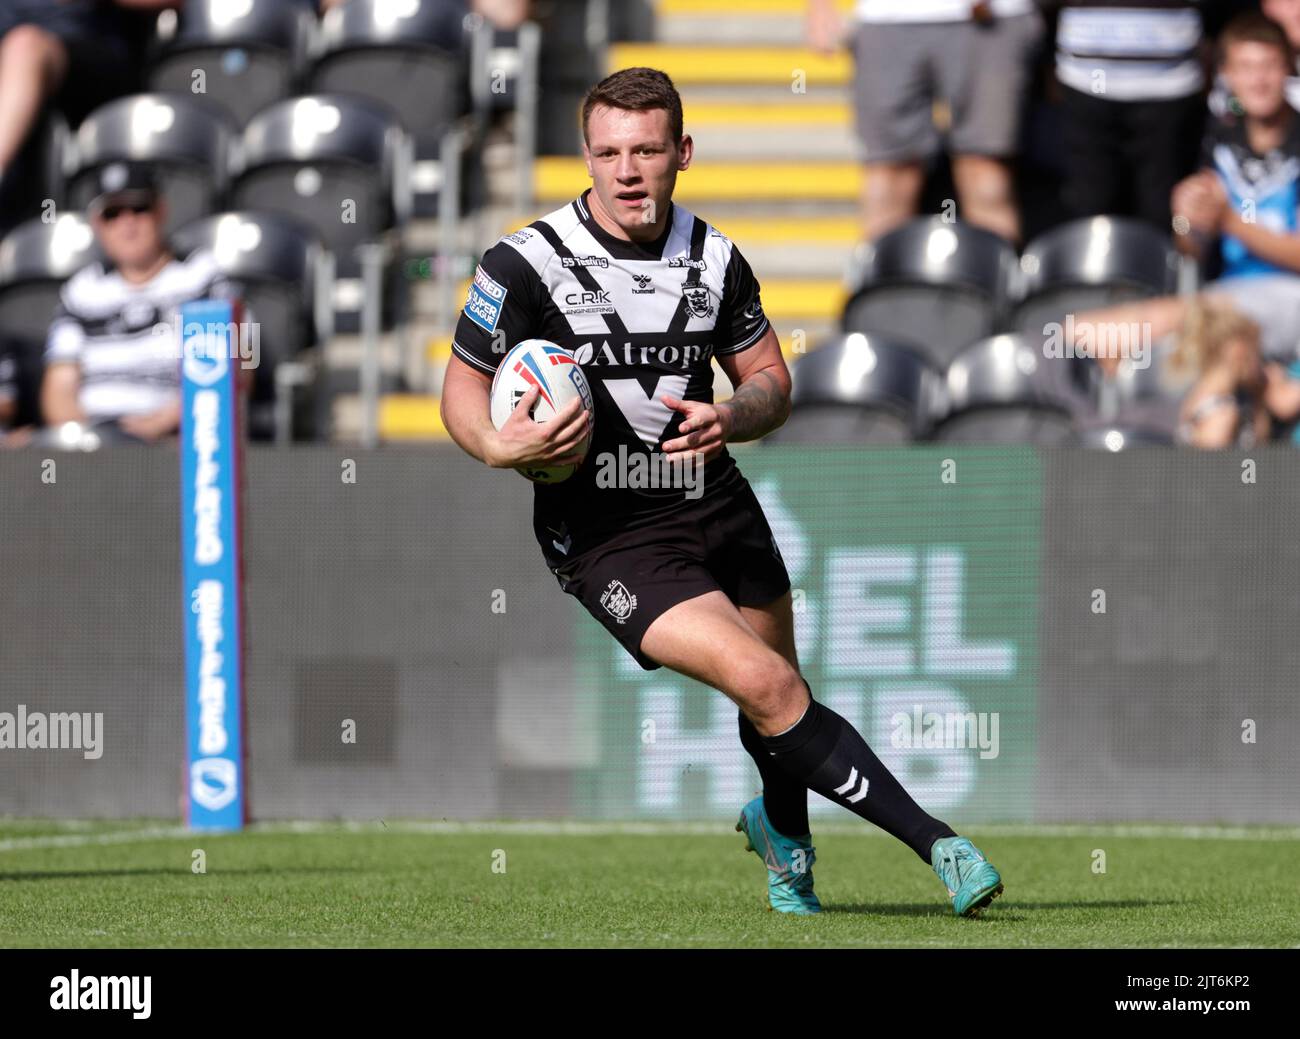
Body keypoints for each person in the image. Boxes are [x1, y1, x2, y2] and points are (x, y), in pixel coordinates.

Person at [440, 66, 1005, 917]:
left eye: (646, 151)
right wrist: (494, 442)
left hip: (714, 499)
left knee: (779, 688)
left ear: (683, 153)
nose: (627, 171)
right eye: (608, 153)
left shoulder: (714, 258)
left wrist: (733, 413)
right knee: (766, 683)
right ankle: (941, 845)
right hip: (606, 533)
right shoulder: (525, 263)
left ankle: (785, 843)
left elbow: (772, 381)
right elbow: (461, 385)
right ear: (586, 157)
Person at [806, 0, 1044, 244]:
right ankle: (887, 267)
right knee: (890, 177)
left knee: (987, 172)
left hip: (992, 17)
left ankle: (993, 265)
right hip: (887, 18)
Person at [40, 162, 240, 444]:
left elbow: (237, 368)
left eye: (138, 208)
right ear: (97, 223)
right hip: (93, 444)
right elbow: (59, 389)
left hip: (179, 440)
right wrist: (90, 440)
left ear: (160, 210)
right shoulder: (81, 291)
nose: (127, 224)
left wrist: (162, 423)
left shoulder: (202, 277)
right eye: (112, 213)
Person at [1053, 0, 1206, 231]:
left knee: (1164, 206)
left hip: (1170, 85)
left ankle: (1165, 255)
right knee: (1089, 204)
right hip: (1086, 82)